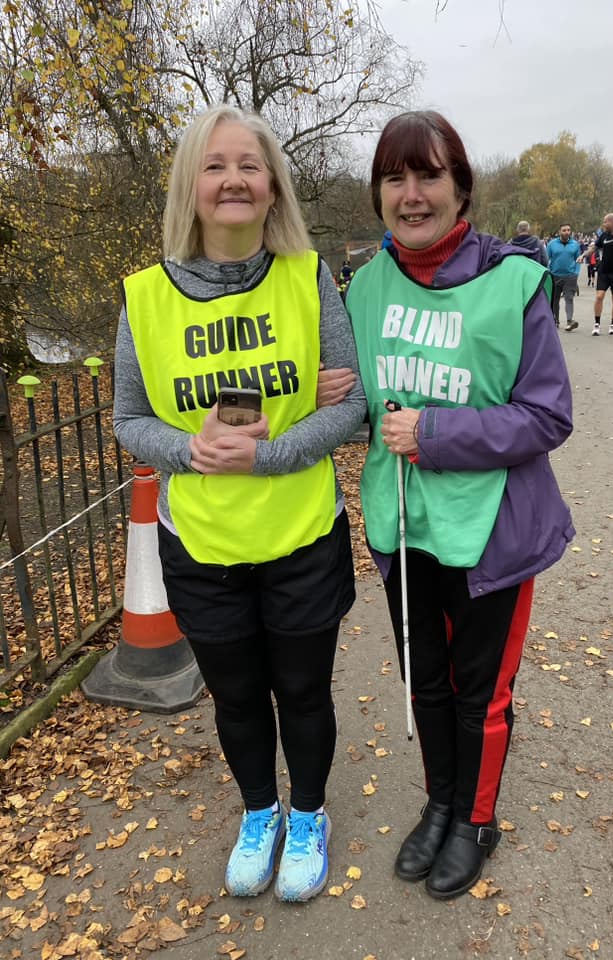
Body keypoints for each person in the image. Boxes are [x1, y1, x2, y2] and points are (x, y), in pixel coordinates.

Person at [113, 104, 366, 903]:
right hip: (204, 547)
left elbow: (349, 407)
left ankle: (311, 812)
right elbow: (128, 420)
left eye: (249, 166)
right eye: (215, 166)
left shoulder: (308, 276)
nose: (233, 179)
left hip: (299, 535)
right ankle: (261, 813)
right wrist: (186, 449)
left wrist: (270, 455)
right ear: (191, 185)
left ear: (272, 188)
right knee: (237, 698)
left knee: (302, 692)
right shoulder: (145, 297)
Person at [339, 110, 575, 900]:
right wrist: (333, 397)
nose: (412, 195)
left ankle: (477, 820)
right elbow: (356, 402)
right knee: (426, 683)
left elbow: (547, 414)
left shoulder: (517, 281)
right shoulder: (361, 289)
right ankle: (440, 803)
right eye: (396, 178)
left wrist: (435, 432)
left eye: (428, 175)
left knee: (482, 691)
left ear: (460, 186)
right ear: (378, 194)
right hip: (401, 525)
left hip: (493, 532)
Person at [580, 213, 613, 336]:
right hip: (604, 270)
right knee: (599, 296)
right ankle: (596, 324)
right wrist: (583, 255)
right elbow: (594, 248)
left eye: (605, 222)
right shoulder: (604, 235)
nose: (604, 224)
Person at [546, 224, 582, 330]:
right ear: (559, 232)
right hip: (554, 275)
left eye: (568, 230)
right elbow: (547, 258)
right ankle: (555, 320)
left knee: (569, 298)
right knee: (555, 300)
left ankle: (570, 321)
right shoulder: (552, 244)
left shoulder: (575, 244)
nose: (567, 232)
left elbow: (578, 259)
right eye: (564, 230)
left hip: (570, 276)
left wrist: (576, 272)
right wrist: (548, 272)